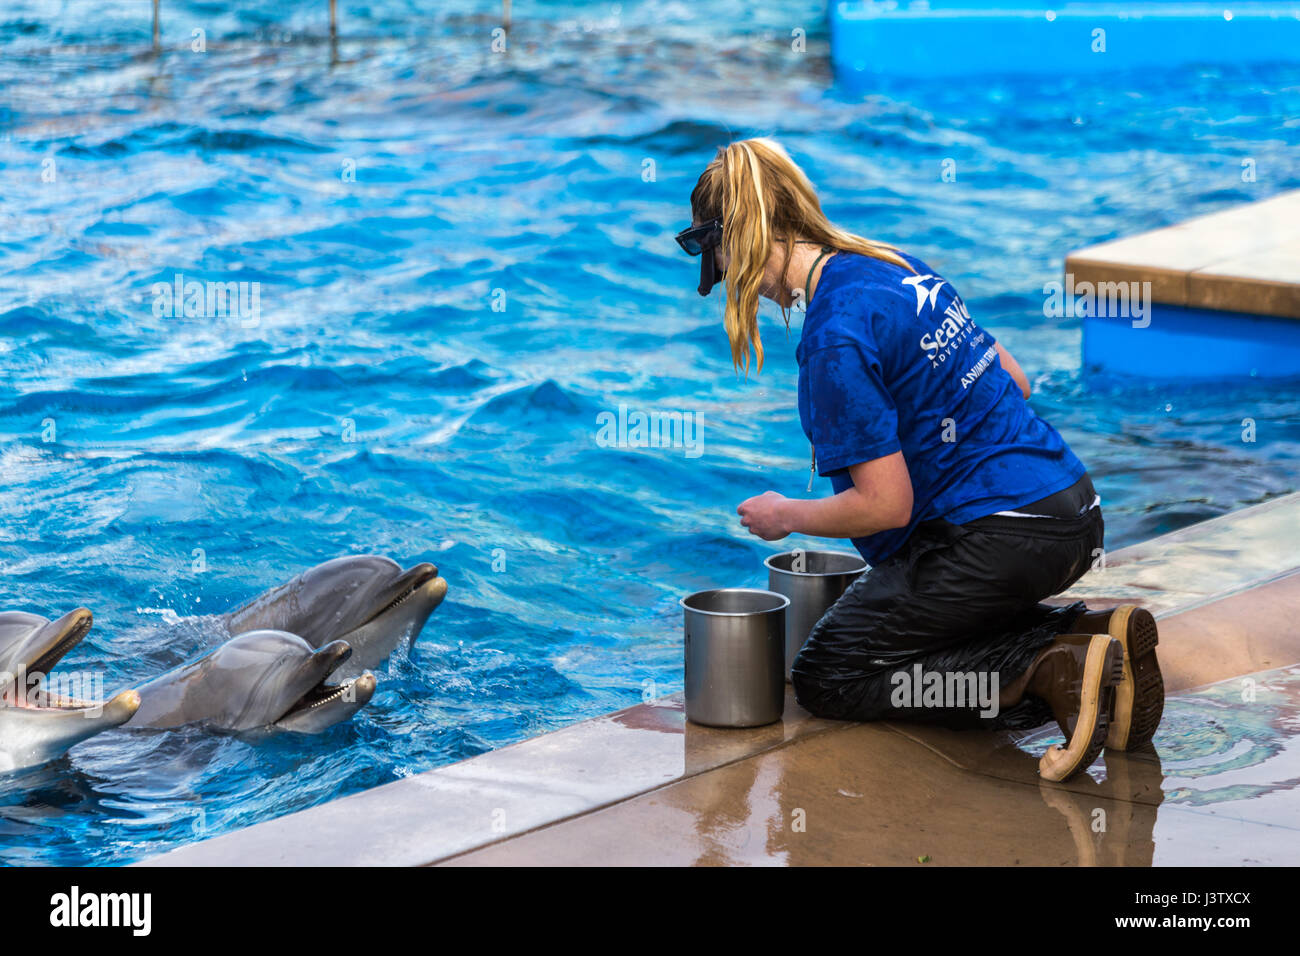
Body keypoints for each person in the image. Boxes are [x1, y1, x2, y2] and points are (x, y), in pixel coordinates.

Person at [676, 138, 1164, 781]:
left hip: (1004, 538)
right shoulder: (890, 265)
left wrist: (785, 514)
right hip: (1073, 510)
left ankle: (1049, 670)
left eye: (719, 259)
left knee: (833, 674)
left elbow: (885, 506)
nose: (743, 290)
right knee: (924, 624)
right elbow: (1012, 380)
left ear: (741, 235)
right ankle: (1097, 637)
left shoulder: (832, 337)